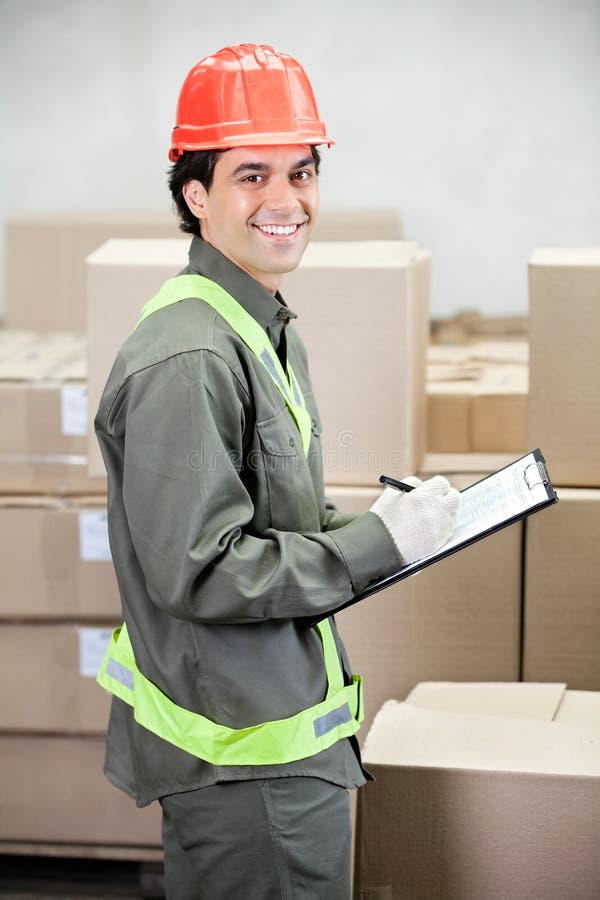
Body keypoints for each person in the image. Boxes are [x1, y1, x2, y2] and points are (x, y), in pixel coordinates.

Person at [95, 43, 460, 900]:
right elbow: (205, 569)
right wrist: (373, 548)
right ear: (197, 195)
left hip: (272, 744)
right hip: (247, 770)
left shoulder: (253, 322)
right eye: (251, 175)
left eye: (302, 172)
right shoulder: (191, 356)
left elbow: (271, 521)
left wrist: (387, 529)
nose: (287, 199)